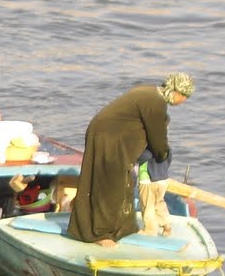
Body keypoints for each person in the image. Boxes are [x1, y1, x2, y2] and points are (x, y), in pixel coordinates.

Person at [66, 72, 195, 246]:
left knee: (124, 183)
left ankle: (123, 228)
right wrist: (163, 155)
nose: (183, 101)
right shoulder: (156, 102)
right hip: (107, 138)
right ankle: (100, 234)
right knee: (110, 185)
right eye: (184, 97)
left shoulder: (151, 93)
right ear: (177, 92)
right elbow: (158, 138)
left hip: (113, 137)